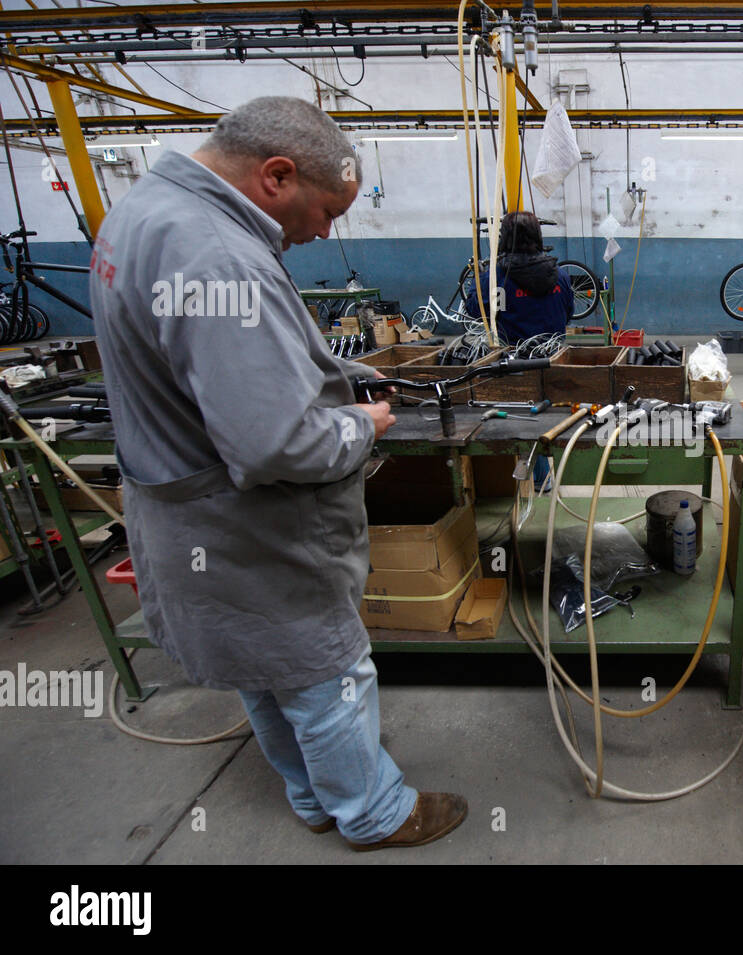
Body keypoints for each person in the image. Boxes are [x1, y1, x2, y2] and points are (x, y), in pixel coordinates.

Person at [87, 97, 467, 851]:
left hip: (187, 514)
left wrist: (331, 370)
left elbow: (220, 364)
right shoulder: (219, 255)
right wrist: (359, 423)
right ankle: (374, 812)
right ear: (277, 174)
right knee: (325, 672)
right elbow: (273, 446)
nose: (326, 231)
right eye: (326, 209)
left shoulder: (142, 215)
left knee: (258, 667)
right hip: (246, 524)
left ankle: (312, 793)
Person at [463, 211, 574, 344]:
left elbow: (477, 311)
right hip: (554, 356)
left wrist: (478, 279)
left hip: (512, 359)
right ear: (538, 235)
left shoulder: (498, 278)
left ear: (504, 237)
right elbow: (567, 315)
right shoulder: (561, 277)